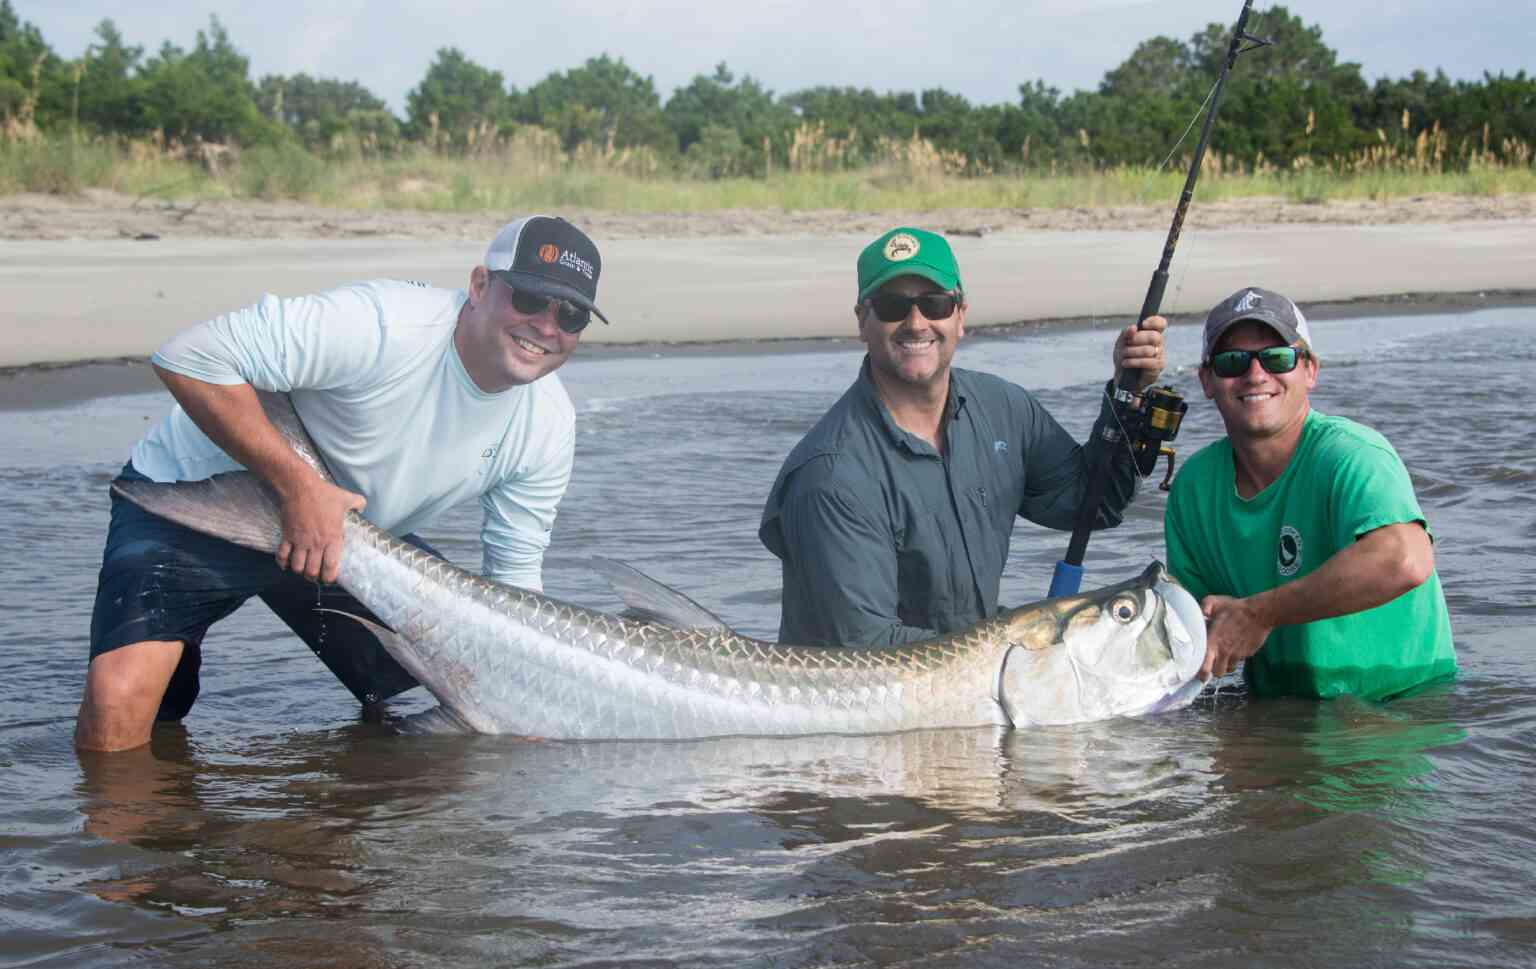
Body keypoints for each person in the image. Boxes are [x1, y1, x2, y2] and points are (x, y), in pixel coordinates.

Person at [78, 215, 611, 751]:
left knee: (450, 707)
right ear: (479, 286)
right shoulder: (381, 325)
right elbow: (189, 356)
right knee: (120, 718)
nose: (546, 326)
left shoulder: (548, 423)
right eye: (528, 299)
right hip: (196, 498)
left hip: (345, 543)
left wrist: (526, 693)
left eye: (570, 314)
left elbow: (514, 576)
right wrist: (297, 489)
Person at [758, 226, 1167, 646]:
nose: (916, 323)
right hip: (866, 695)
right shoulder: (832, 475)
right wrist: (1023, 652)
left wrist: (1128, 392)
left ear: (960, 315)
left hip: (962, 683)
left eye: (934, 303)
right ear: (863, 320)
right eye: (893, 305)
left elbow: (1093, 506)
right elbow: (864, 646)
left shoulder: (1005, 409)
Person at [1163, 286, 1456, 699]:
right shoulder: (1193, 488)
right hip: (1280, 713)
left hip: (1401, 710)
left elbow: (1405, 559)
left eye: (1277, 358)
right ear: (1207, 380)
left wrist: (1260, 613)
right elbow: (1189, 630)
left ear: (1310, 371)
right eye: (1232, 362)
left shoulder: (1352, 454)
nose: (1255, 374)